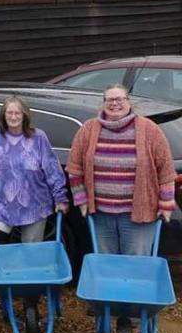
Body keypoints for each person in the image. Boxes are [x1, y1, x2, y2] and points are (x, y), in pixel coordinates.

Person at [67, 84, 176, 255]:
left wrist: (167, 203)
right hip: (101, 215)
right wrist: (81, 200)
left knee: (136, 265)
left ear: (129, 101)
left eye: (119, 99)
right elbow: (75, 170)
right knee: (107, 264)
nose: (114, 103)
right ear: (103, 103)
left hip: (139, 216)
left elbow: (166, 171)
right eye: (109, 99)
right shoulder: (88, 129)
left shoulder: (149, 129)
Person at [0, 96, 68, 244]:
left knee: (30, 253)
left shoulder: (38, 138)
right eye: (9, 113)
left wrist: (60, 198)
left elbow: (52, 169)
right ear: (3, 115)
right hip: (3, 206)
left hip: (35, 206)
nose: (13, 117)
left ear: (24, 115)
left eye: (17, 113)